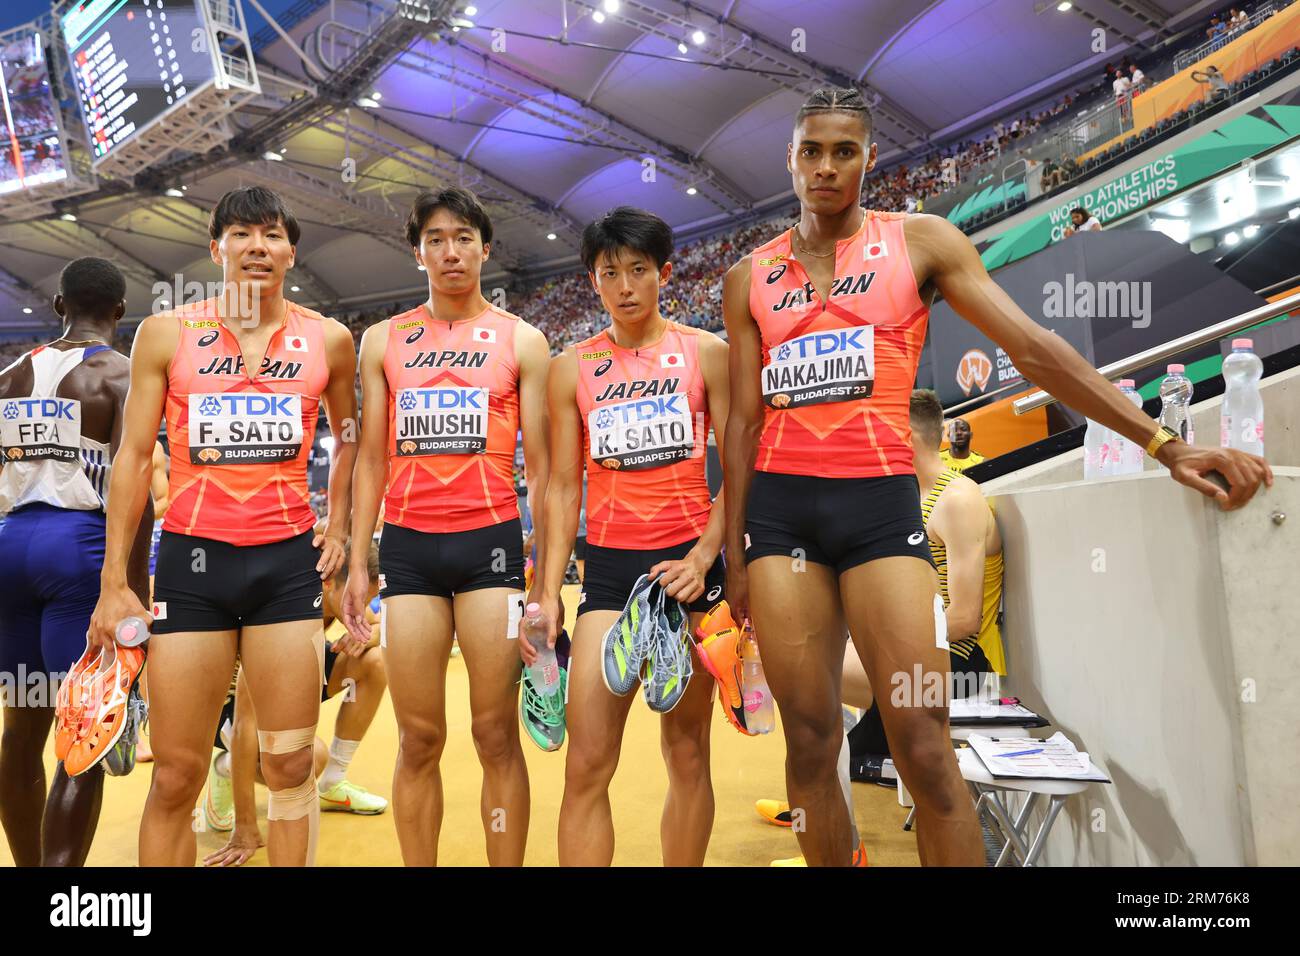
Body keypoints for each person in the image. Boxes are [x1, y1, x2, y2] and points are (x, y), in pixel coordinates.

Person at [721, 85, 1272, 867]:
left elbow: (1035, 348)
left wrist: (1165, 444)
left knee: (923, 739)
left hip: (879, 513)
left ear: (870, 159)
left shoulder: (920, 244)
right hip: (780, 521)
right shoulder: (749, 278)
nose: (826, 166)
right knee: (809, 743)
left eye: (845, 150)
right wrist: (735, 557)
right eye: (812, 150)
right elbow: (741, 425)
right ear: (790, 159)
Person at [88, 185, 360, 867]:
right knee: (176, 773)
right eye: (241, 234)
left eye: (271, 234)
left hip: (287, 569)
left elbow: (354, 439)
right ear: (217, 249)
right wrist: (114, 581)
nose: (257, 246)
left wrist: (345, 524)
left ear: (291, 251)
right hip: (191, 566)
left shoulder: (328, 339)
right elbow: (132, 458)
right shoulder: (167, 333)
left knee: (291, 768)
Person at [342, 187, 551, 866]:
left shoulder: (523, 339)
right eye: (436, 238)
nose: (450, 250)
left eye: (463, 237)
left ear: (485, 248)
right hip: (407, 552)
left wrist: (545, 581)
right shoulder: (384, 340)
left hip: (490, 548)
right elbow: (370, 456)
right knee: (419, 737)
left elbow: (544, 472)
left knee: (495, 733)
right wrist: (357, 560)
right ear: (418, 252)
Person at [527, 206, 730, 866]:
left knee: (687, 753)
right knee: (587, 763)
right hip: (611, 578)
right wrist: (546, 589)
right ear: (593, 281)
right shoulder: (570, 369)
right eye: (609, 273)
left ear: (665, 273)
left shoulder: (707, 354)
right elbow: (562, 487)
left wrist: (704, 558)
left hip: (691, 575)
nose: (624, 286)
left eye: (638, 270)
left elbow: (741, 472)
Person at [0, 257, 152, 866]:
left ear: (59, 305)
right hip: (80, 551)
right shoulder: (122, 375)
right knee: (83, 736)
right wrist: (133, 592)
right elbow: (131, 488)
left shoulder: (8, 374)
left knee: (23, 727)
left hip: (9, 548)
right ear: (119, 312)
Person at [203, 535, 388, 867]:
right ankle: (225, 768)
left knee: (375, 661)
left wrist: (371, 634)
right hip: (230, 709)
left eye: (368, 598)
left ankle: (334, 780)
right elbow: (247, 723)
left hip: (290, 677)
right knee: (308, 759)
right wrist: (245, 826)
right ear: (328, 582)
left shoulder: (346, 596)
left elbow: (378, 628)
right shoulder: (286, 607)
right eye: (359, 598)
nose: (363, 607)